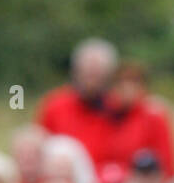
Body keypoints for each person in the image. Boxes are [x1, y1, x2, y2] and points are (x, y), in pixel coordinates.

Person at [37, 38, 122, 170]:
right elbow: (41, 150)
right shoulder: (55, 106)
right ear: (75, 72)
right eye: (87, 74)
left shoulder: (119, 107)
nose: (91, 82)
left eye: (97, 75)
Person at [106, 61, 174, 181]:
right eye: (121, 84)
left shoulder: (153, 115)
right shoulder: (108, 114)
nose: (127, 89)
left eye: (132, 83)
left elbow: (167, 160)